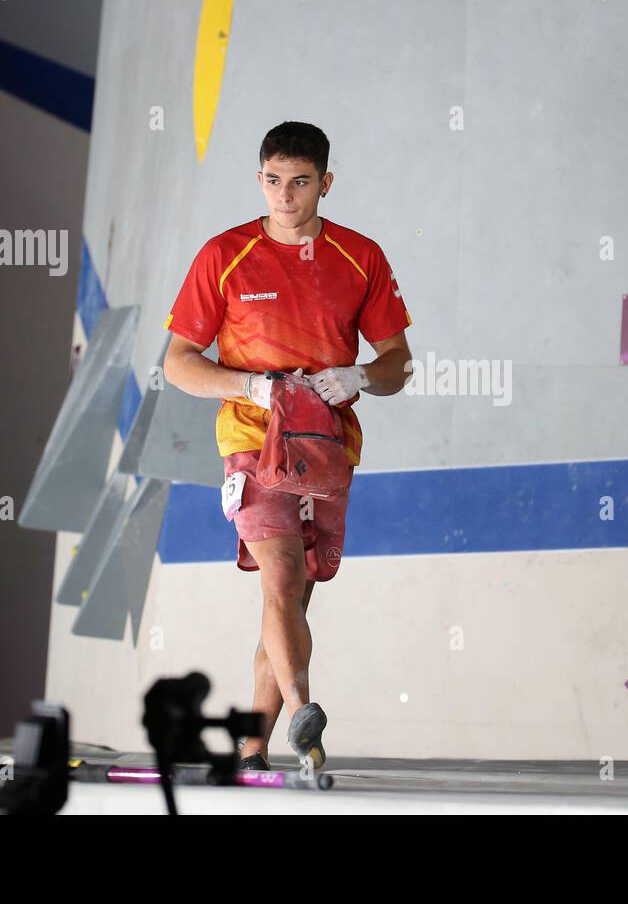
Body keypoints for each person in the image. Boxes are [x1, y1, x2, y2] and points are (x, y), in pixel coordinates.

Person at [163, 121, 413, 771]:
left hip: (327, 448)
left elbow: (398, 364)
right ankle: (305, 711)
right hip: (251, 442)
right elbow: (178, 363)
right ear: (260, 180)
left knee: (292, 596)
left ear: (325, 184)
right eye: (273, 181)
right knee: (279, 575)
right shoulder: (225, 255)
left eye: (300, 183)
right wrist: (249, 386)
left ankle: (253, 748)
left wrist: (356, 376)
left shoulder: (362, 257)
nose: (285, 195)